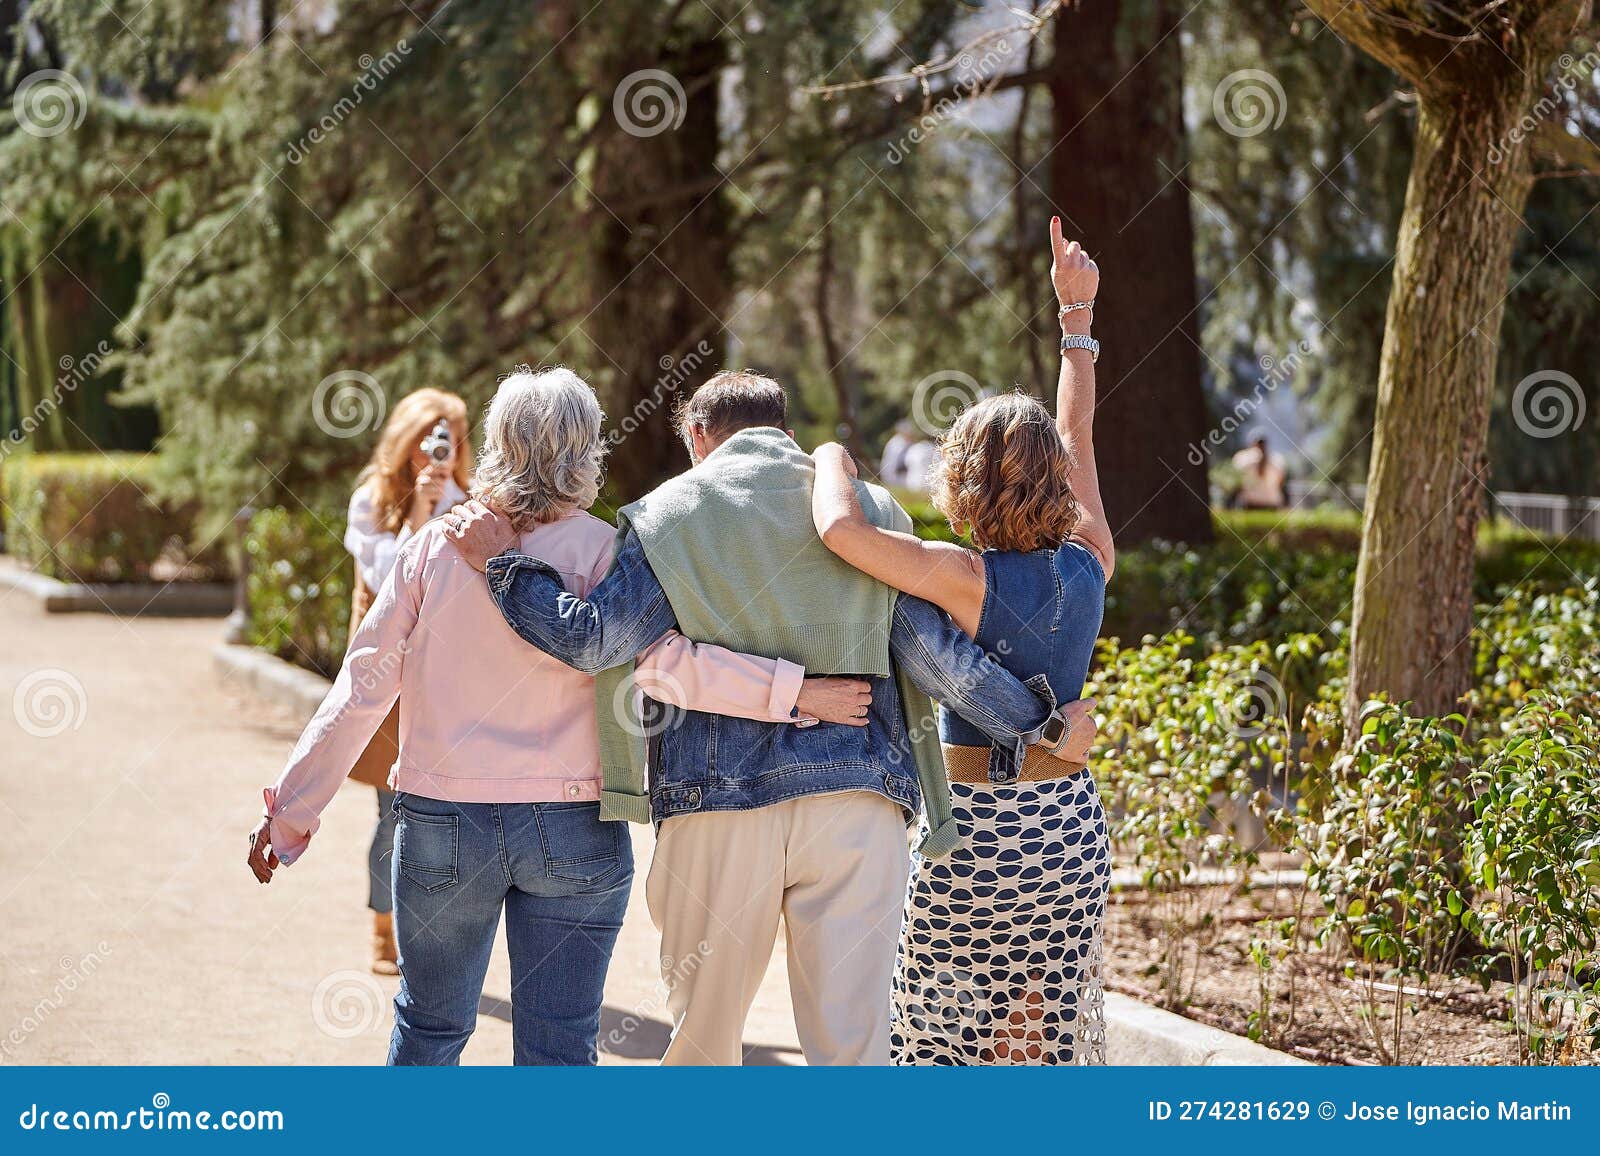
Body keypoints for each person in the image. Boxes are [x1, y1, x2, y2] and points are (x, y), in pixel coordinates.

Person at [443, 371, 1096, 1066]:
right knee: (854, 1053)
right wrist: (1044, 729)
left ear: (698, 439)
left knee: (703, 1048)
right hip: (857, 803)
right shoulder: (869, 511)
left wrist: (507, 568)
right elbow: (940, 663)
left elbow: (593, 642)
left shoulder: (668, 514)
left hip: (718, 808)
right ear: (786, 436)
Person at [246, 367, 874, 1066]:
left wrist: (291, 813)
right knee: (559, 1049)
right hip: (574, 825)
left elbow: (361, 688)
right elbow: (671, 665)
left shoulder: (432, 549)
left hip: (441, 820)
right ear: (588, 450)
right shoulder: (610, 553)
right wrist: (795, 692)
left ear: (494, 445)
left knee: (428, 1030)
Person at [810, 217, 1114, 1065]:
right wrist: (1075, 325)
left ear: (963, 478)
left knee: (944, 1048)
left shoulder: (958, 575)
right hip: (1066, 831)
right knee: (1032, 1040)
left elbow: (838, 531)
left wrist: (831, 452)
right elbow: (1079, 439)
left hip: (975, 835)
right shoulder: (1092, 561)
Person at [342, 387, 472, 975]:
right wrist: (421, 512)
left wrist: (450, 505)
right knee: (393, 812)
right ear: (407, 441)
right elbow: (389, 581)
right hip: (386, 685)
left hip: (449, 682)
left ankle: (434, 935)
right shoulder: (370, 501)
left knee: (449, 817)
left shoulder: (469, 502)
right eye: (429, 439)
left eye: (449, 439)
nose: (436, 453)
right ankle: (384, 930)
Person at [1231, 434, 1288, 510]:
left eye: (1262, 443)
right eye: (1259, 443)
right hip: (1249, 502)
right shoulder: (1243, 458)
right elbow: (1237, 479)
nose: (1261, 446)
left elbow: (1281, 479)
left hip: (1271, 502)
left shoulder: (1276, 459)